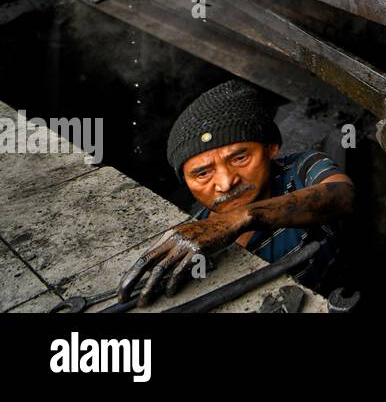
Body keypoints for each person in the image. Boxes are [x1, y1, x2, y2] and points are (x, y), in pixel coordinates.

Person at [117, 79, 354, 305]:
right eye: (203, 174)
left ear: (271, 148)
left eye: (240, 158)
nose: (226, 182)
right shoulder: (194, 231)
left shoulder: (300, 169)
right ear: (186, 182)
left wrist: (240, 218)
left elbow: (343, 196)